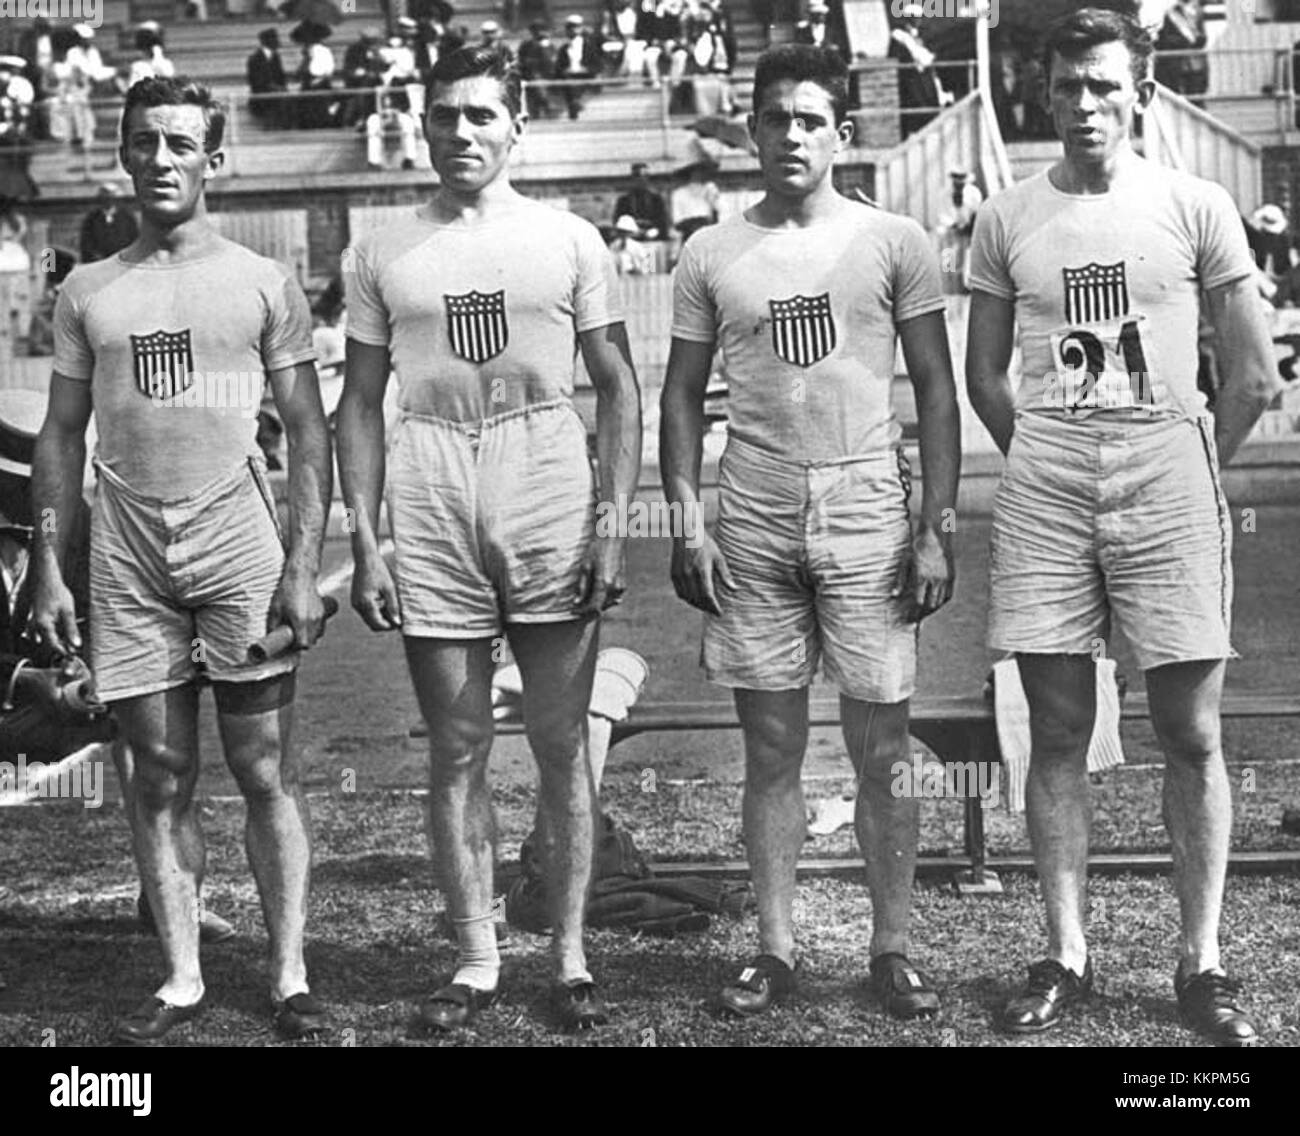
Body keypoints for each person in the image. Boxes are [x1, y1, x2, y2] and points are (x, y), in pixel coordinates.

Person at [965, 8, 1278, 1047]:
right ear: (1042, 94)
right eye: (1068, 88)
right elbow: (983, 372)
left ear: (1136, 88)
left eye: (1104, 86)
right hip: (1049, 466)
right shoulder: (1007, 215)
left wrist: (1187, 461)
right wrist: (1049, 454)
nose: (1086, 105)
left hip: (1168, 464)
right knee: (1055, 730)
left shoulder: (1194, 202)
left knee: (1189, 732)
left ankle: (1202, 960)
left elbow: (1251, 373)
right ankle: (1066, 950)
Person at [336, 45, 641, 1034]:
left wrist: (610, 520)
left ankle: (570, 956)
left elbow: (621, 387)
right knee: (459, 744)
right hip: (431, 482)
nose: (461, 133)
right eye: (443, 118)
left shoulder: (568, 239)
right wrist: (369, 540)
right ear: (418, 129)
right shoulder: (381, 248)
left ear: (517, 129)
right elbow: (358, 405)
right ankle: (475, 960)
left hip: (545, 471)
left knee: (560, 741)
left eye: (480, 117)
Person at [31, 76, 334, 1045]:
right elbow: (60, 432)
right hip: (126, 544)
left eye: (178, 142)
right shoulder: (86, 289)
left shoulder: (260, 280)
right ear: (121, 153)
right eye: (143, 141)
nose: (160, 158)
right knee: (156, 772)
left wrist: (301, 559)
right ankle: (182, 977)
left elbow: (307, 426)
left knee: (263, 767)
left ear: (214, 157)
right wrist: (45, 562)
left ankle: (288, 973)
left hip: (235, 539)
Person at [660, 43, 959, 1020]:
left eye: (808, 119)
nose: (788, 134)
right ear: (747, 128)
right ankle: (775, 946)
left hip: (867, 493)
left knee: (882, 741)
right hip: (751, 497)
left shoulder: (893, 240)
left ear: (842, 132)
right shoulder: (710, 250)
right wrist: (685, 515)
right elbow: (676, 397)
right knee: (773, 745)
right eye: (771, 117)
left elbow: (939, 394)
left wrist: (934, 527)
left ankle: (893, 944)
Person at [888, 3, 948, 139]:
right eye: (914, 18)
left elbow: (929, 55)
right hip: (911, 79)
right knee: (914, 108)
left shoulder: (920, 36)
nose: (918, 21)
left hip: (924, 78)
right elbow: (900, 58)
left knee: (929, 105)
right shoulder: (899, 36)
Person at [554, 13, 602, 120]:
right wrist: (564, 70)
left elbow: (597, 65)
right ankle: (575, 104)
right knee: (568, 82)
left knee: (575, 84)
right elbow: (559, 66)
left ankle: (574, 104)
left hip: (585, 75)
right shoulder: (564, 48)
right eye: (570, 28)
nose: (573, 30)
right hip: (569, 76)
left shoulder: (589, 46)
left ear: (581, 28)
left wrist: (588, 69)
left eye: (575, 27)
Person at [79, 182, 139, 264]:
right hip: (99, 264)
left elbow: (134, 241)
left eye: (111, 198)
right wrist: (94, 256)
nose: (108, 201)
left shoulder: (127, 218)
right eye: (104, 198)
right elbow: (86, 243)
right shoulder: (92, 219)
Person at [669, 156, 719, 244]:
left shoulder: (710, 189)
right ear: (690, 172)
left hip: (708, 234)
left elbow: (717, 214)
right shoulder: (679, 194)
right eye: (698, 170)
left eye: (703, 170)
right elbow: (677, 220)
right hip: (689, 235)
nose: (702, 173)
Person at [247, 28, 289, 129]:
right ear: (265, 42)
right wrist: (273, 88)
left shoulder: (276, 57)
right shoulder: (254, 59)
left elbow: (281, 77)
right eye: (273, 40)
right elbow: (256, 82)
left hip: (277, 93)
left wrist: (282, 88)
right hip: (262, 95)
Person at [612, 161, 668, 238]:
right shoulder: (623, 201)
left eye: (645, 176)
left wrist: (652, 232)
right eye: (637, 176)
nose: (641, 180)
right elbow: (618, 223)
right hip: (631, 238)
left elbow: (663, 223)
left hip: (653, 238)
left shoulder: (657, 200)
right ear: (632, 179)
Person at [518, 20, 558, 118]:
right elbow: (522, 61)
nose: (540, 33)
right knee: (535, 77)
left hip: (547, 75)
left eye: (542, 30)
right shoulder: (526, 45)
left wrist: (543, 47)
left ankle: (547, 103)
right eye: (536, 30)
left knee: (538, 80)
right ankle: (546, 103)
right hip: (530, 75)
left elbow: (551, 61)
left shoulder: (549, 45)